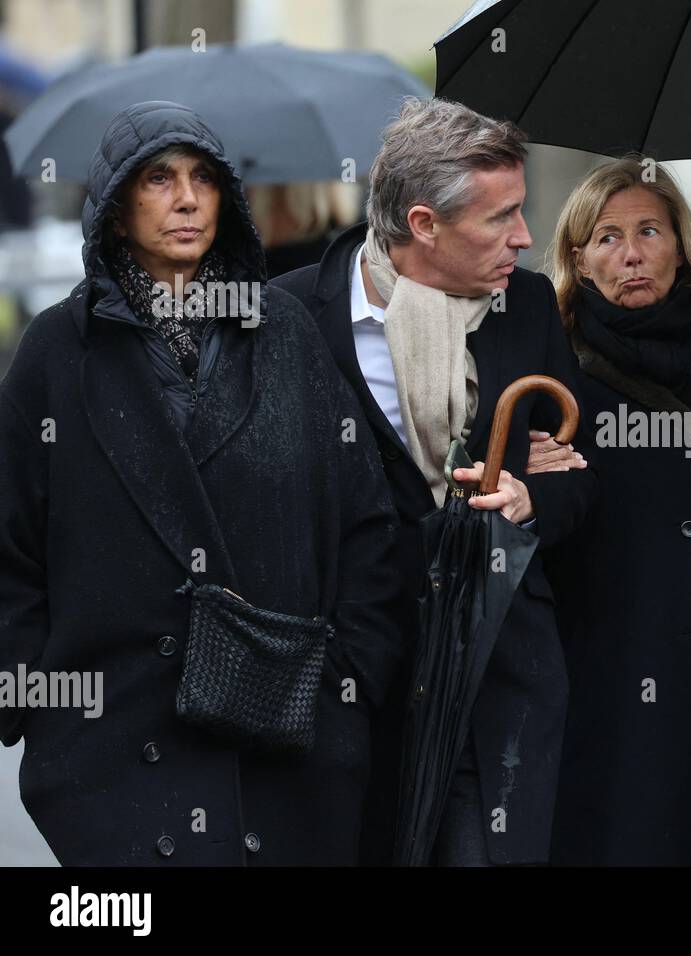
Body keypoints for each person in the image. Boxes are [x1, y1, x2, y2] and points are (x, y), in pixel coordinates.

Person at [0, 101, 403, 865]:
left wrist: (346, 685)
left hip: (289, 753)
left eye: (204, 179)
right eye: (158, 179)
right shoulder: (58, 352)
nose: (187, 199)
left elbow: (364, 522)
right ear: (116, 211)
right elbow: (9, 548)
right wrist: (35, 704)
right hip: (115, 766)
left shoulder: (283, 334)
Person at [273, 97, 597, 866]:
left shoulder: (527, 305)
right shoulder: (286, 317)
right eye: (501, 218)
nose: (525, 236)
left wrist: (529, 496)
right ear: (423, 224)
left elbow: (583, 479)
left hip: (497, 682)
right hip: (350, 694)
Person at [534, 159, 691, 865]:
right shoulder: (556, 377)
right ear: (579, 261)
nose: (633, 253)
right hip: (609, 691)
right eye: (608, 238)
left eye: (649, 229)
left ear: (681, 244)